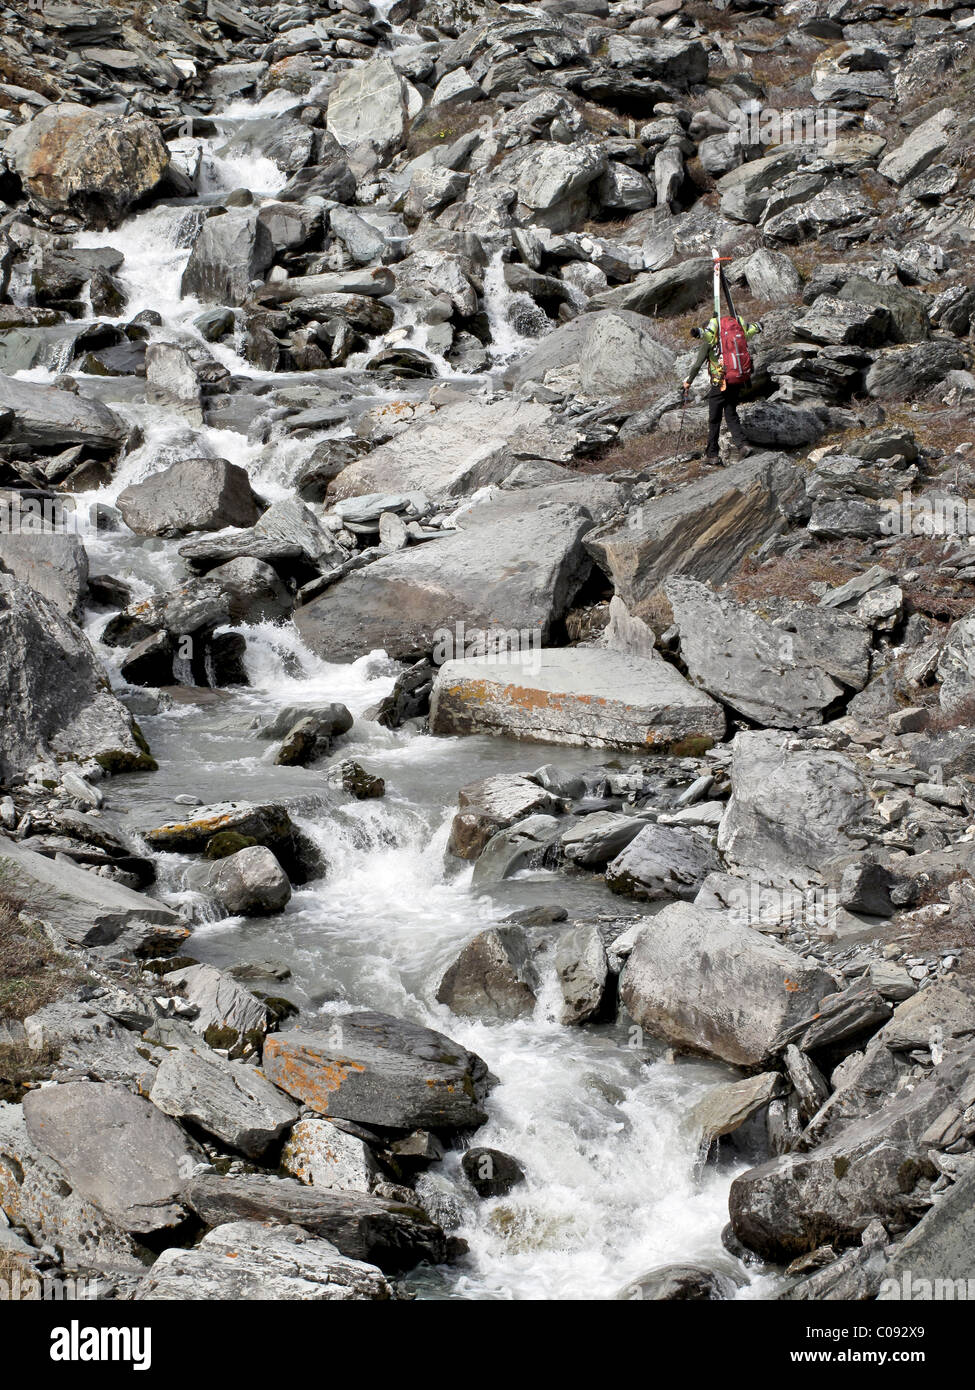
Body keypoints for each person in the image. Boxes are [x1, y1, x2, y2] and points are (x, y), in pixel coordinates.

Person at [682, 313, 761, 465]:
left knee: (714, 419)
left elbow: (697, 365)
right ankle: (743, 445)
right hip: (735, 379)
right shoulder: (730, 339)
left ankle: (712, 454)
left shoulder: (709, 342)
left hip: (720, 382)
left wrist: (688, 382)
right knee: (731, 413)